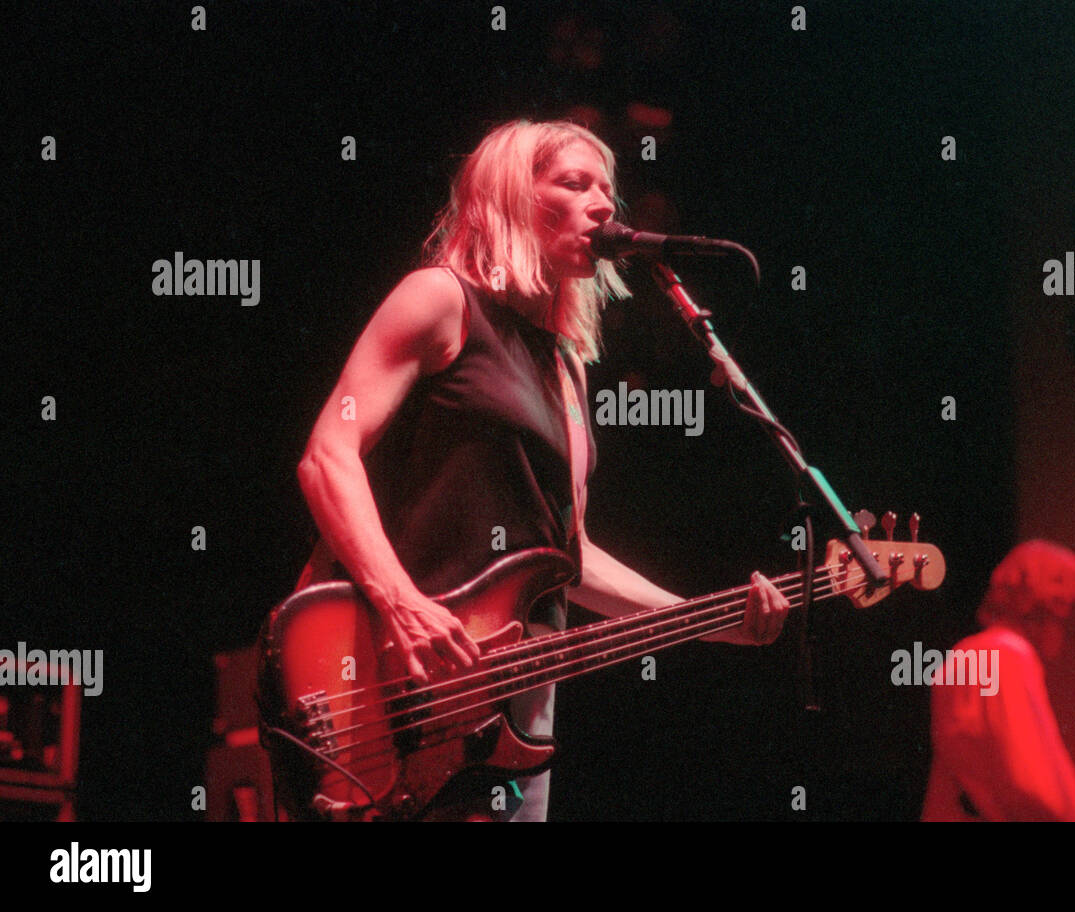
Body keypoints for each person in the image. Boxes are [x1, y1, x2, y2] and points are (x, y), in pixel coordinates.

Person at [293, 118, 790, 821]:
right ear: (508, 196)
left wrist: (711, 622)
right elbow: (327, 454)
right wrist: (400, 600)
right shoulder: (439, 300)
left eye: (607, 191)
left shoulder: (565, 370)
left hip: (509, 724)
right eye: (573, 183)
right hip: (385, 686)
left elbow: (570, 558)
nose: (603, 206)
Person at [921, 540, 1075, 821]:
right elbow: (1029, 783)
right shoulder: (1005, 654)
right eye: (1068, 626)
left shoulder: (973, 653)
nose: (1064, 643)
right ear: (1046, 605)